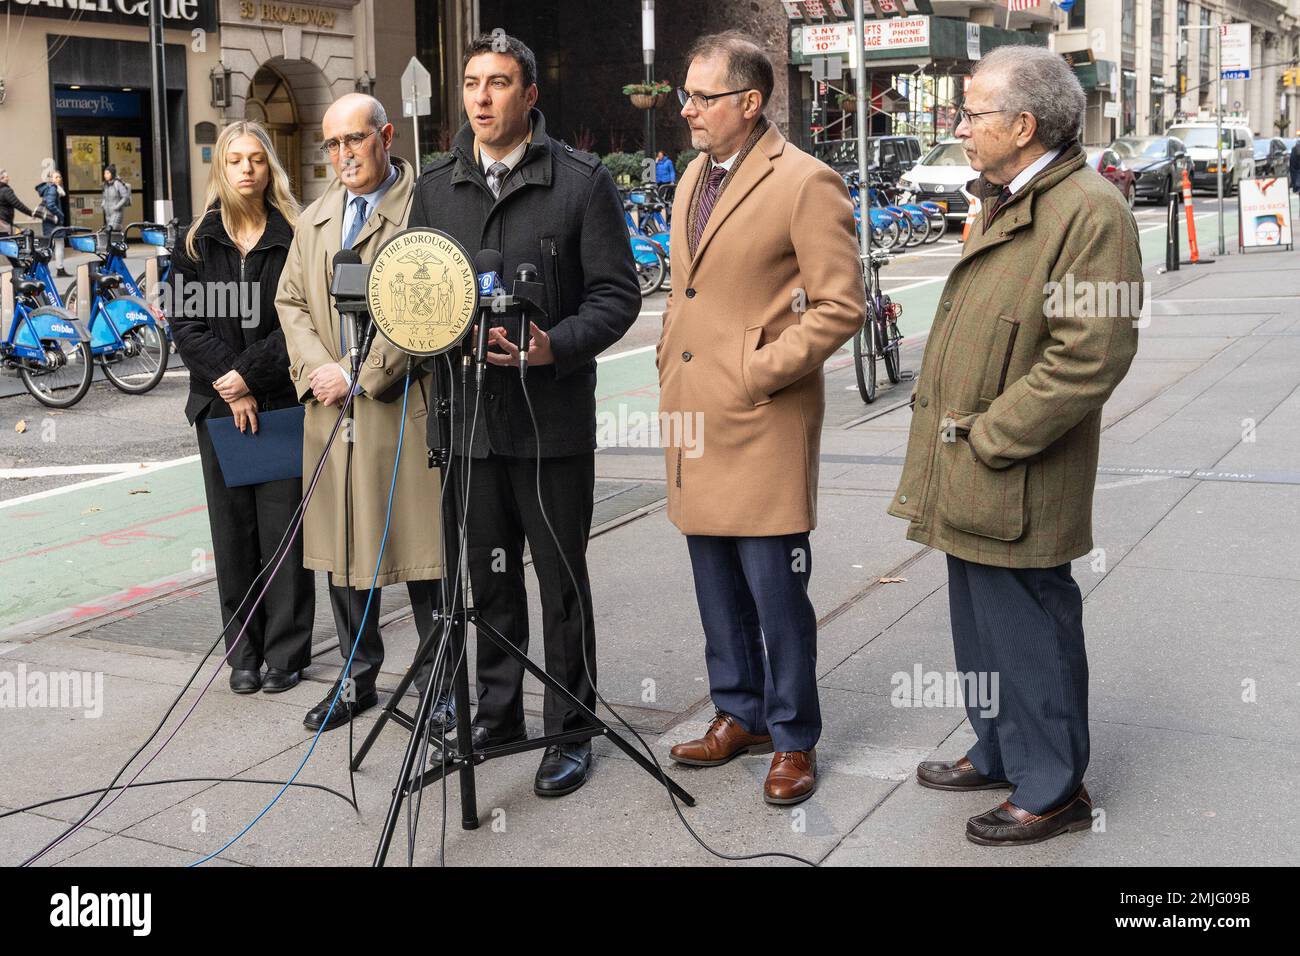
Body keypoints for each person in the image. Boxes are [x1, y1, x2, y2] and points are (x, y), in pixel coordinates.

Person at [890, 46, 1141, 846]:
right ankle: (1002, 747)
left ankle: (1054, 786)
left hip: (1014, 468)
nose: (959, 127)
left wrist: (996, 436)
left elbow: (1091, 352)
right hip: (974, 465)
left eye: (970, 113)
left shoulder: (1088, 210)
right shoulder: (1010, 195)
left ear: (1023, 125)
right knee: (983, 627)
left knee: (1030, 628)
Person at [408, 33, 640, 796]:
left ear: (529, 94)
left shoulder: (580, 182)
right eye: (472, 82)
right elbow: (418, 287)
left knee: (561, 582)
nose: (481, 97)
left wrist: (552, 347)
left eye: (499, 83)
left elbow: (617, 295)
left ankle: (570, 727)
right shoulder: (435, 186)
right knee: (490, 578)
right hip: (466, 422)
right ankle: (498, 713)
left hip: (552, 426)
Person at [658, 32, 864, 806]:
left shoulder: (804, 181)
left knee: (777, 591)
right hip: (691, 415)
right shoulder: (690, 176)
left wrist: (758, 366)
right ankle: (737, 712)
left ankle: (794, 736)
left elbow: (841, 304)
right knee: (715, 584)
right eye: (686, 94)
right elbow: (687, 293)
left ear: (749, 103)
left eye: (701, 97)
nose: (687, 110)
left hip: (760, 414)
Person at [277, 93, 450, 733]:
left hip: (399, 411)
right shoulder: (316, 217)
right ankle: (357, 681)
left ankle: (441, 690)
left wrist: (361, 373)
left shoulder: (424, 211)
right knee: (345, 557)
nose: (344, 155)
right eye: (333, 144)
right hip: (331, 416)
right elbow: (290, 301)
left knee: (421, 556)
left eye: (355, 140)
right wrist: (319, 368)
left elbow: (432, 303)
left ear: (386, 137)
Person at [171, 121, 315, 695]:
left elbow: (298, 323)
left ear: (269, 168)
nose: (247, 170)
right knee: (232, 537)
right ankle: (244, 655)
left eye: (257, 159)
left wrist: (248, 377)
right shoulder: (194, 243)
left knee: (284, 536)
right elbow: (185, 325)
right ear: (221, 170)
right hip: (216, 408)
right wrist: (229, 384)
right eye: (236, 160)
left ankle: (285, 653)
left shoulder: (295, 236)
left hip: (277, 404)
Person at [35, 170, 68, 276]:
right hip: (53, 222)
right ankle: (59, 269)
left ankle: (45, 269)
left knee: (50, 246)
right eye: (56, 177)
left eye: (60, 177)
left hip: (48, 222)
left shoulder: (49, 189)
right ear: (51, 179)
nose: (59, 179)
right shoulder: (53, 189)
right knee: (58, 245)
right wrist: (60, 215)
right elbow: (50, 205)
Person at [1, 167, 41, 235]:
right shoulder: (5, 190)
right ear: (1, 178)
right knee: (23, 235)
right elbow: (18, 205)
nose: (8, 179)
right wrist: (31, 213)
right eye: (6, 177)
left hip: (4, 222)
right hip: (3, 223)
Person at [102, 165, 130, 230]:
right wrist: (103, 203)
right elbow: (105, 196)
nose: (105, 175)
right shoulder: (105, 185)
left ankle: (121, 236)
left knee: (113, 228)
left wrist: (117, 206)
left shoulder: (117, 184)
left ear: (112, 174)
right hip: (107, 212)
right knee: (109, 231)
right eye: (104, 173)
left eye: (107, 173)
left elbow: (125, 197)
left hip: (116, 211)